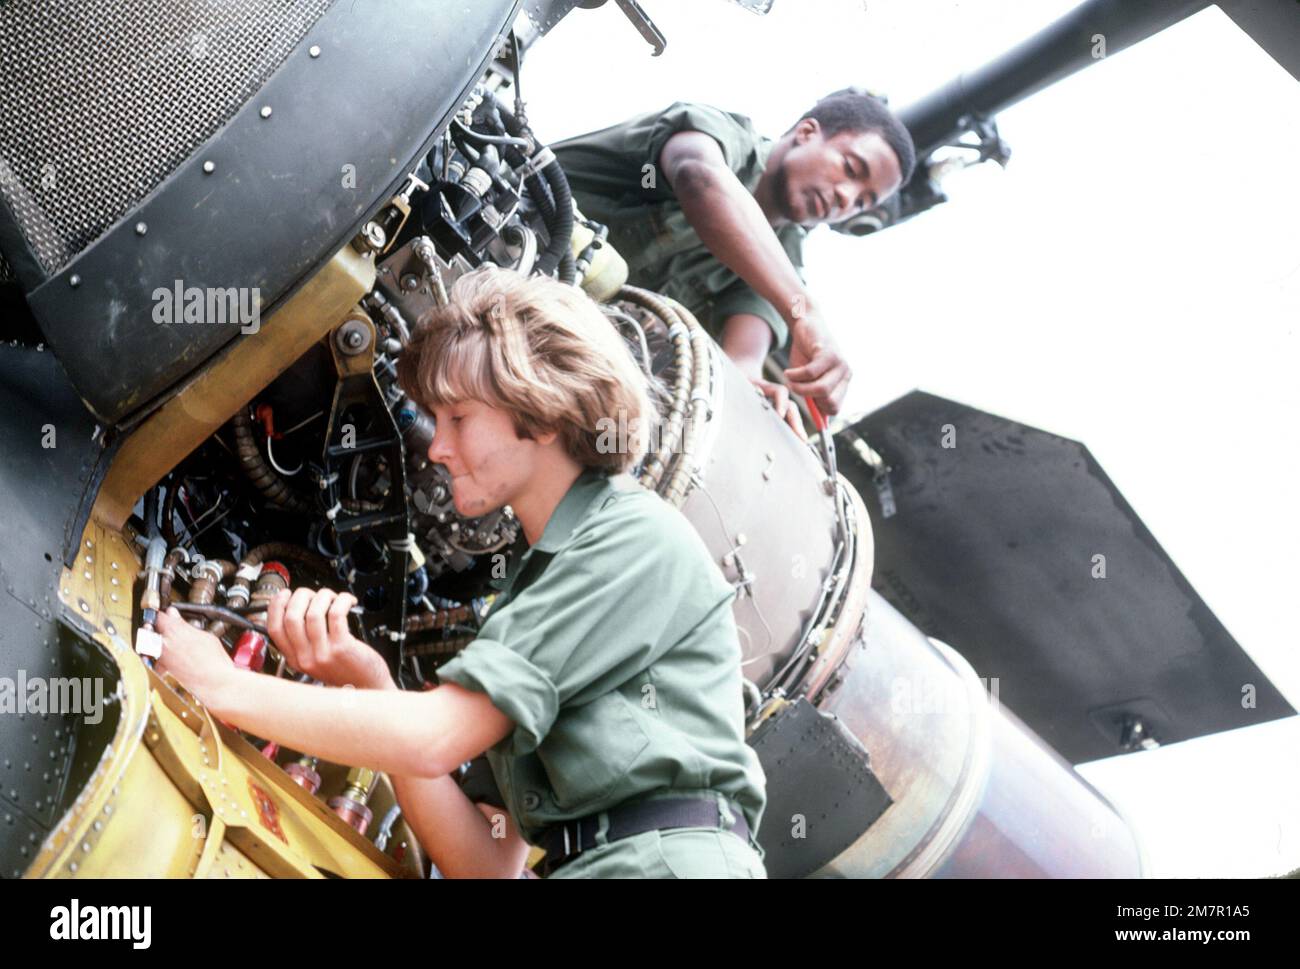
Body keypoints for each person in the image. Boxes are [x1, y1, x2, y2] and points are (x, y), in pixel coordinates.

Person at [154, 265, 768, 879]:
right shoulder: (537, 580)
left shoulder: (630, 538)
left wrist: (223, 686)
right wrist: (372, 680)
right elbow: (486, 861)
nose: (437, 448)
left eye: (459, 419)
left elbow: (435, 737)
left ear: (544, 412)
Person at [552, 86, 916, 433]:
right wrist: (805, 313)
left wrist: (755, 398)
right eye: (851, 169)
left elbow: (742, 363)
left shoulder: (784, 263)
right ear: (807, 132)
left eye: (863, 202)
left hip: (549, 342)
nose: (845, 198)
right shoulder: (722, 134)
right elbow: (699, 177)